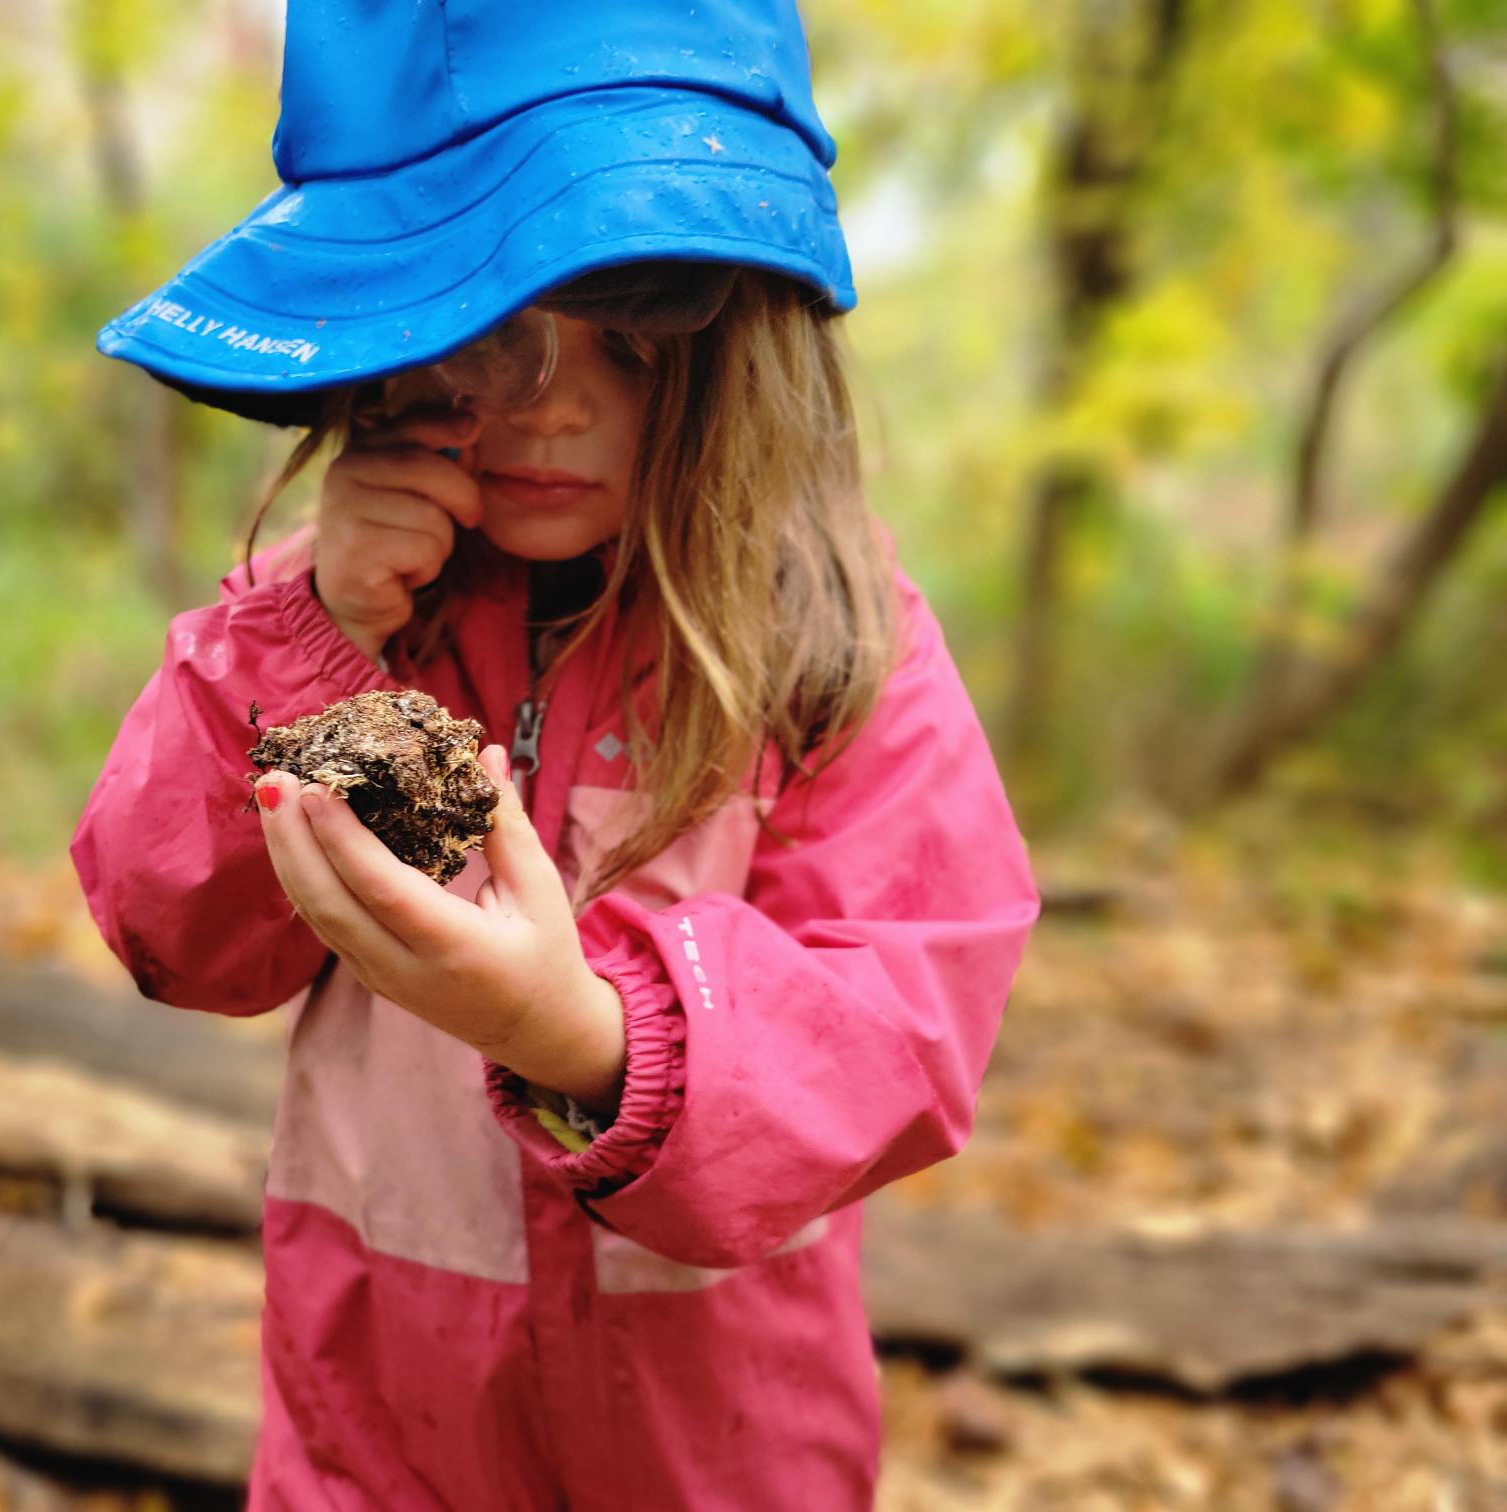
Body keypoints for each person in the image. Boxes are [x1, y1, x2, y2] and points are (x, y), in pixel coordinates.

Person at [71, 2, 1042, 1506]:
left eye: (635, 333)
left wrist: (590, 1038)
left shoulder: (829, 646)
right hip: (379, 1444)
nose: (547, 404)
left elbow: (904, 1022)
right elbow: (173, 932)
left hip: (719, 1454)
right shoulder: (345, 619)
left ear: (740, 342)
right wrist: (308, 637)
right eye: (490, 323)